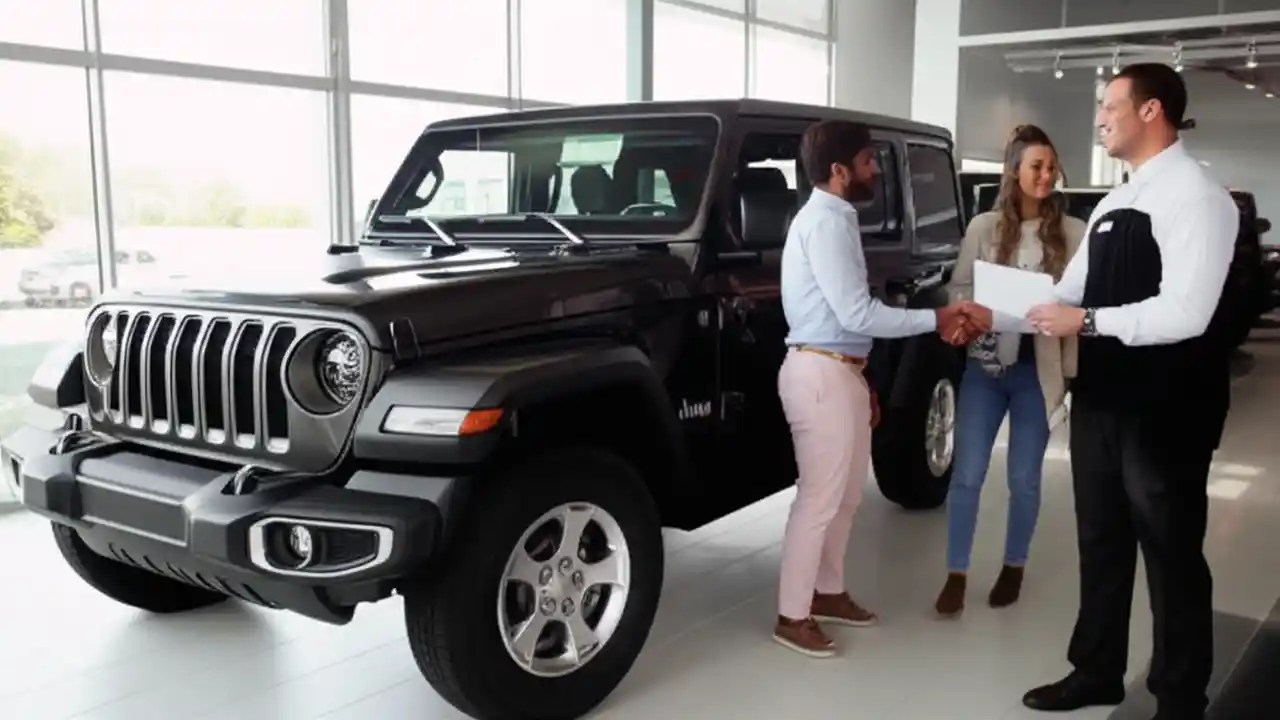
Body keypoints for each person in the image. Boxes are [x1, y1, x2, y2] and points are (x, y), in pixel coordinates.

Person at [1022, 63, 1239, 719]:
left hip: (1168, 407)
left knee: (1171, 553)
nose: (1099, 118)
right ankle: (1096, 671)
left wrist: (1084, 322)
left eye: (1109, 104)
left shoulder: (1199, 198)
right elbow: (1065, 293)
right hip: (1104, 400)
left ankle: (1179, 695)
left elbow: (1187, 314)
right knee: (1101, 540)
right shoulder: (1115, 204)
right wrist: (991, 310)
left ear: (1151, 111)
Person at [772, 119, 989, 658]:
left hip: (838, 370)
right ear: (840, 170)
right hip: (819, 372)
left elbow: (845, 317)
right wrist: (936, 318)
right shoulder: (823, 224)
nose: (876, 170)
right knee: (819, 500)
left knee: (844, 499)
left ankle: (827, 593)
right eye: (869, 161)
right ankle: (791, 616)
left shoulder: (837, 218)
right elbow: (855, 311)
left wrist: (861, 377)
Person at [933, 125, 1087, 618]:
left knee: (1024, 479)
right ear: (1014, 171)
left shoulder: (1073, 233)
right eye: (1035, 166)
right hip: (985, 367)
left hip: (1036, 373)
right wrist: (972, 307)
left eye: (1051, 166)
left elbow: (1085, 299)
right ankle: (956, 573)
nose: (1045, 175)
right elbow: (957, 289)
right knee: (968, 475)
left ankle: (1014, 565)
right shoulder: (982, 227)